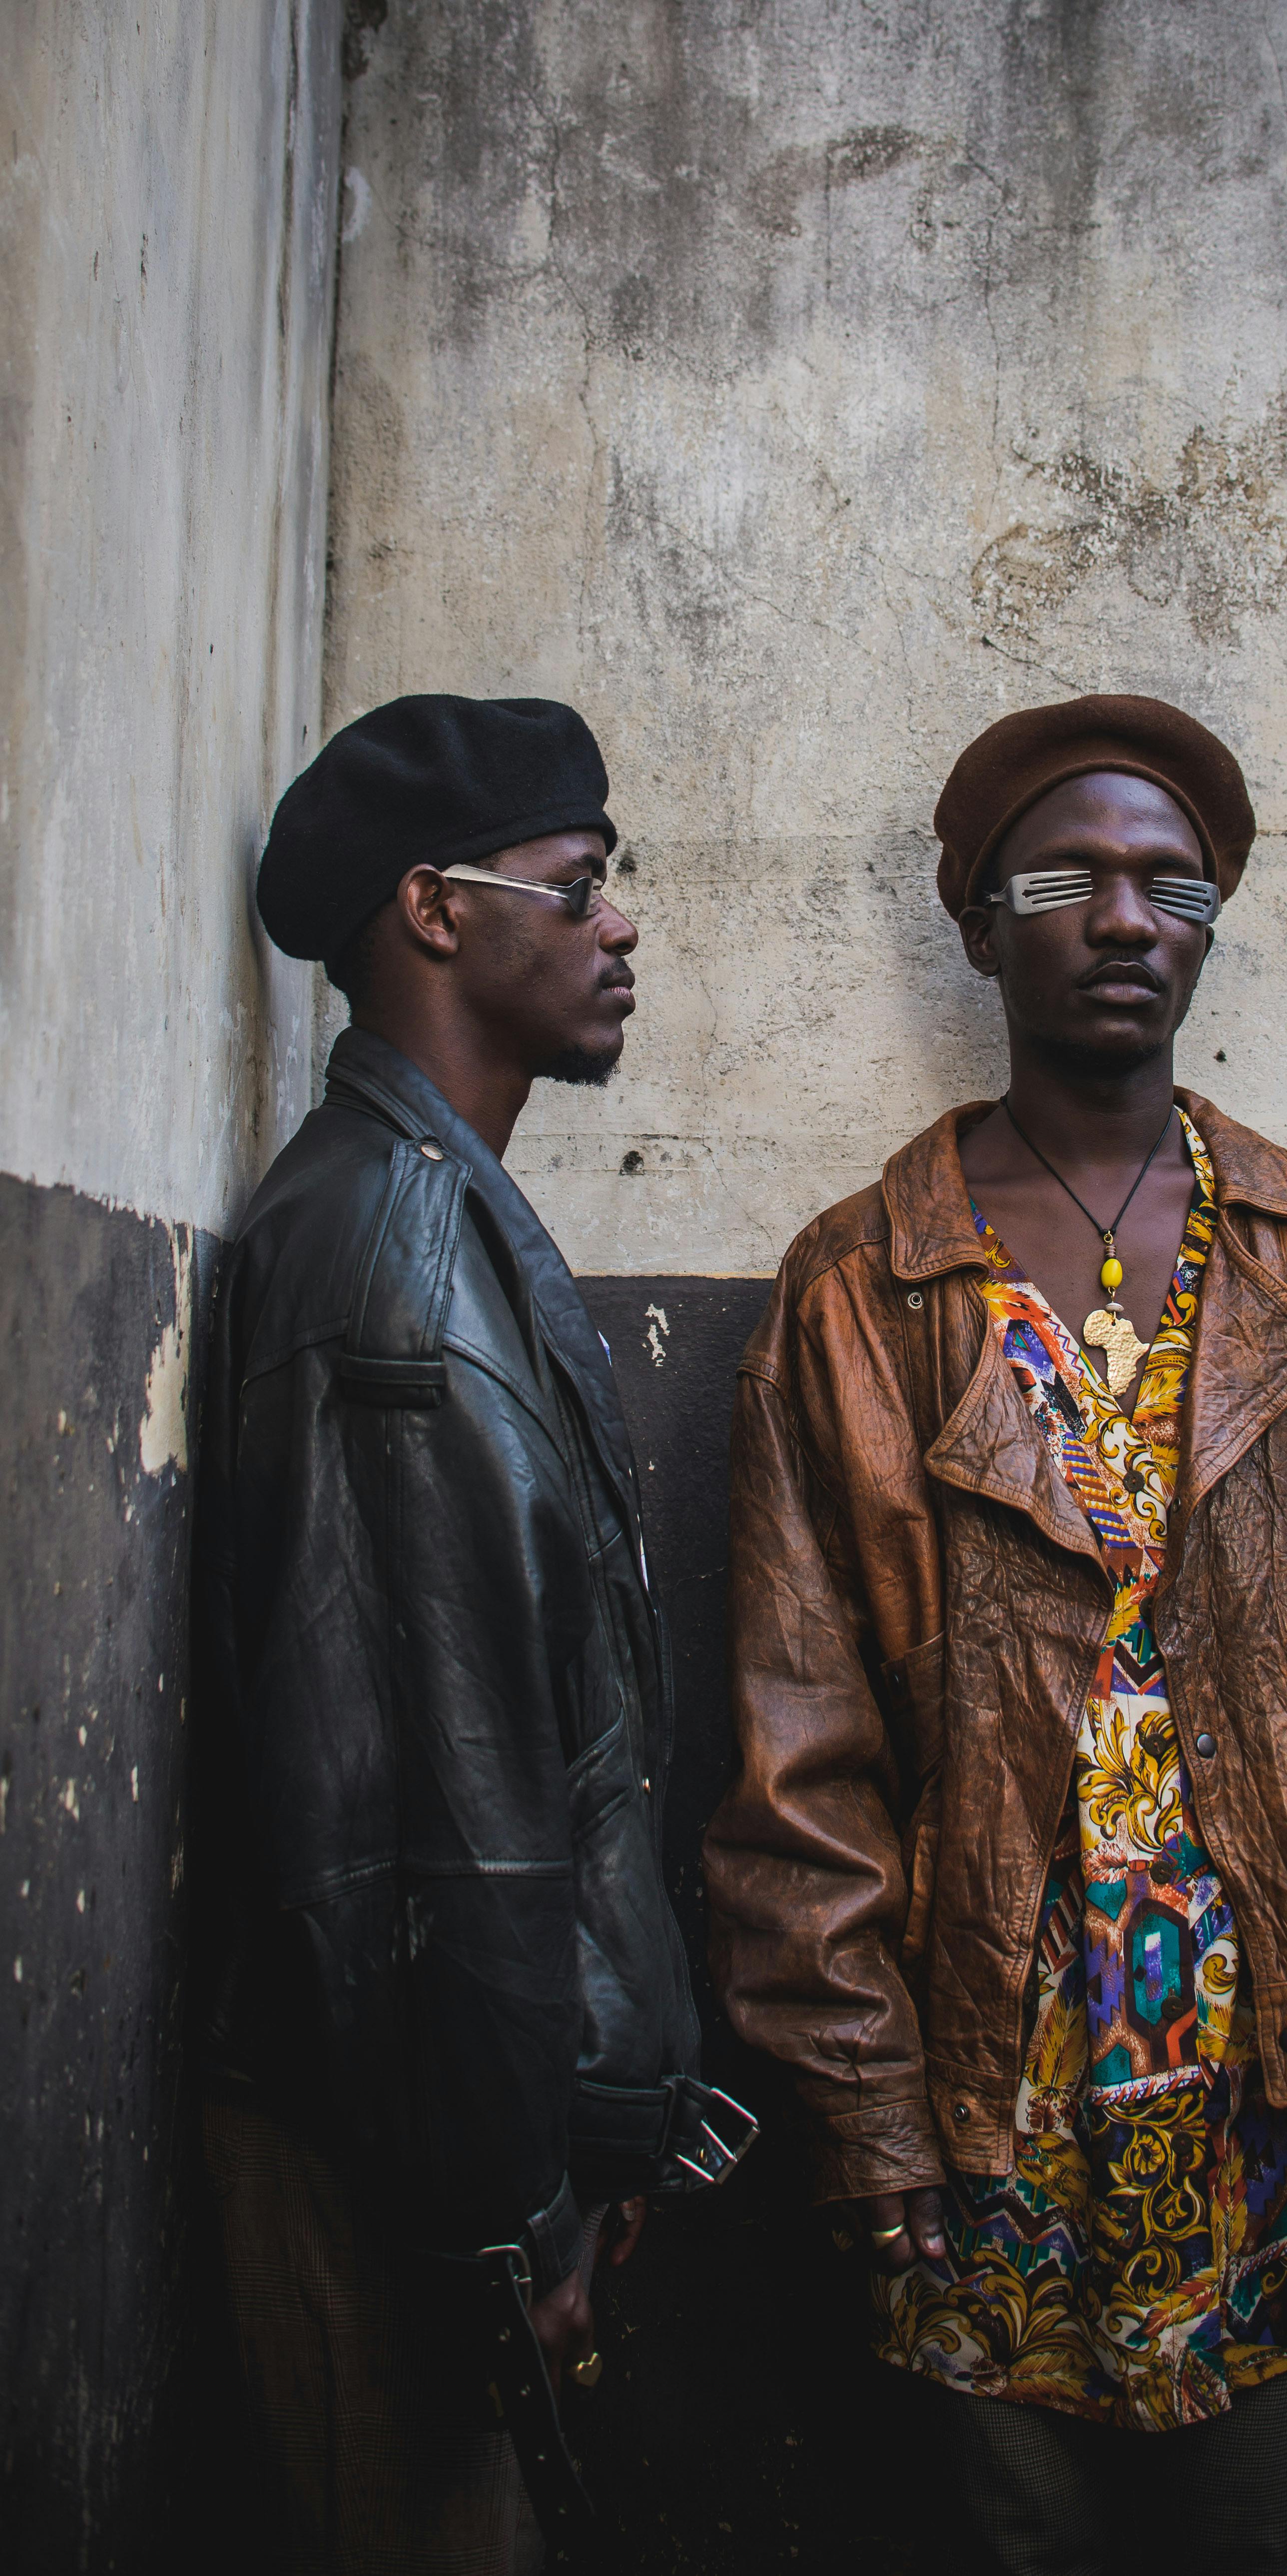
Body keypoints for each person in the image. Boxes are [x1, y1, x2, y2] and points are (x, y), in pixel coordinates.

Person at [705, 696, 1287, 2575]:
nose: (1122, 920)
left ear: (1211, 922)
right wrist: (861, 2104)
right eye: (1062, 879)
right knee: (1005, 2525)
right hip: (982, 2074)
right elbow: (794, 1741)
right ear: (982, 924)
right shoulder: (860, 1286)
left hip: (1265, 2074)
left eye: (1171, 884)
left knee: (1237, 2524)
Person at [194, 695, 750, 2575]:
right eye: (578, 887)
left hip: (478, 2152)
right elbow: (424, 1822)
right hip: (421, 2189)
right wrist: (512, 2220)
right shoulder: (395, 1278)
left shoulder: (438, 1208)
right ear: (435, 912)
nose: (620, 927)